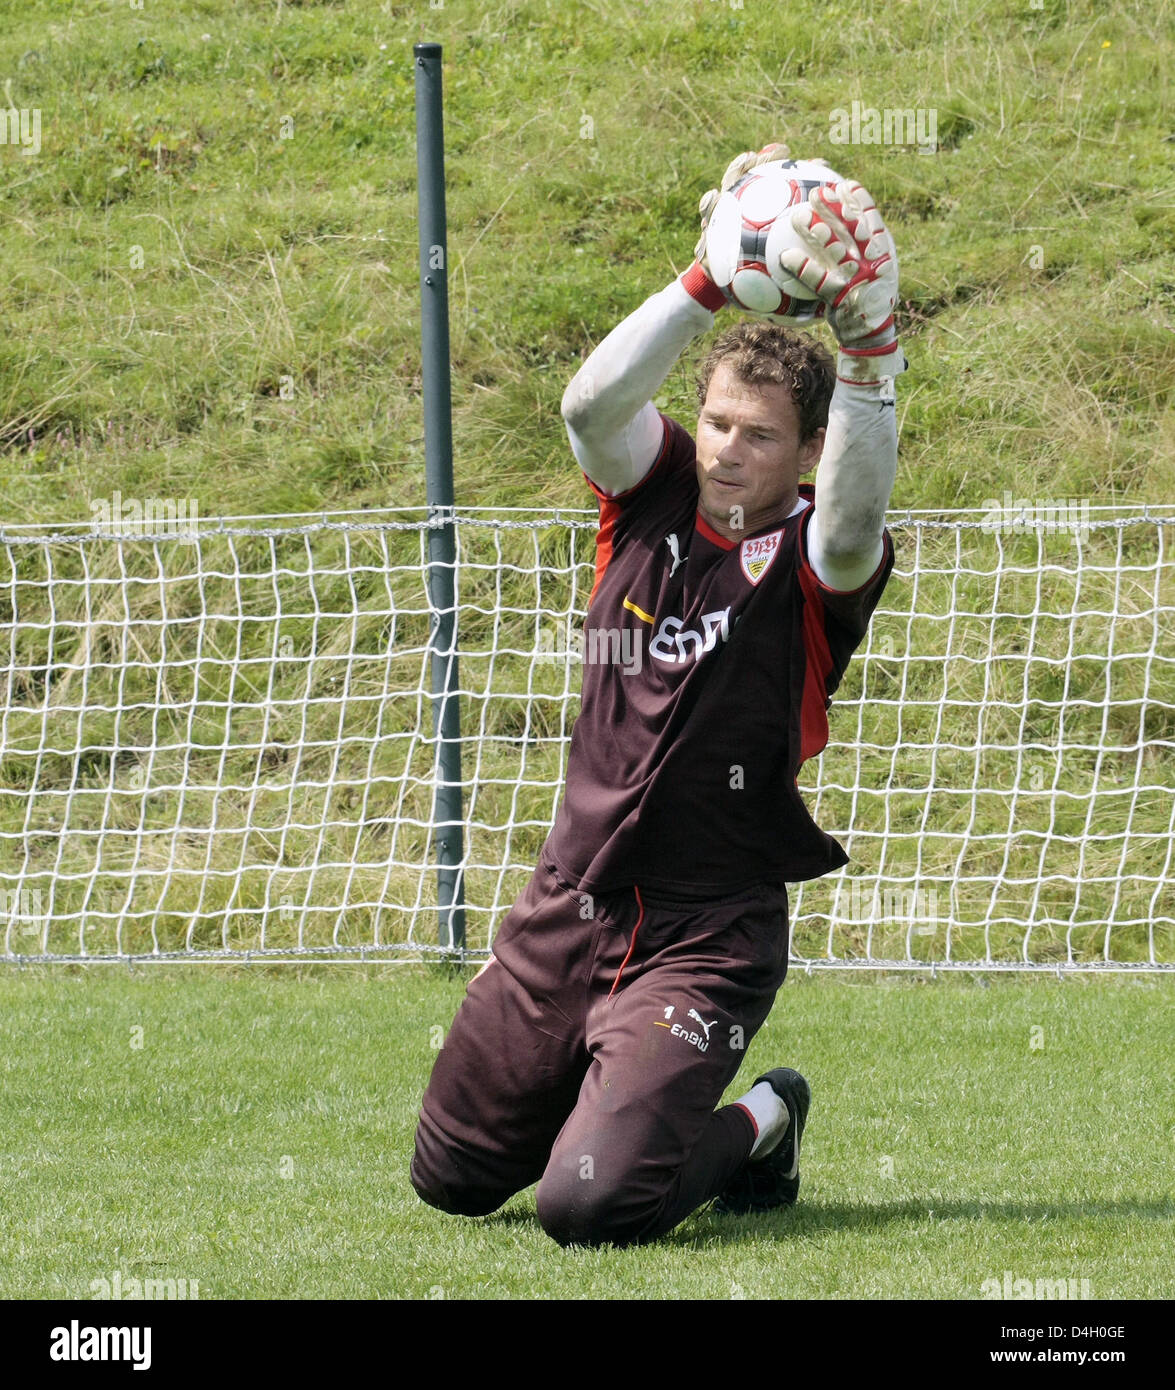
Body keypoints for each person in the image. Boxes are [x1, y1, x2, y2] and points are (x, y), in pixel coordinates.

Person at [410, 144, 904, 1247]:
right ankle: (606, 1102)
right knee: (448, 1176)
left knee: (588, 1205)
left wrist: (870, 350)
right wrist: (704, 278)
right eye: (720, 423)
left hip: (705, 930)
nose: (729, 452)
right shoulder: (646, 494)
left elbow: (857, 522)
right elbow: (588, 407)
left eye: (762, 436)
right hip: (565, 905)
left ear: (807, 449)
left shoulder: (814, 556)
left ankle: (764, 1116)